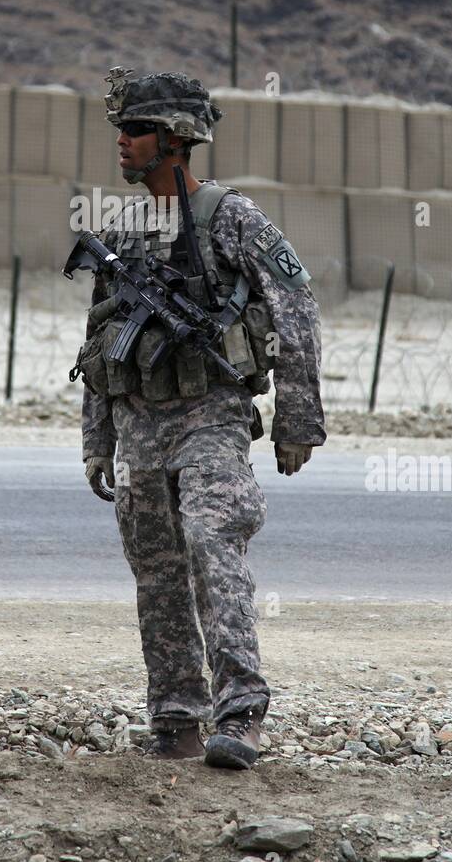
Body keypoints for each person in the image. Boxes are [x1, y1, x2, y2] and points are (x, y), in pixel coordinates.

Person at [76, 68, 326, 769]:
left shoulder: (232, 218)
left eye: (136, 130)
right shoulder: (120, 233)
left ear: (177, 139)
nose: (121, 143)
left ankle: (241, 711)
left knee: (214, 542)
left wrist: (297, 416)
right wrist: (97, 439)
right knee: (156, 570)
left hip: (211, 414)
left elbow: (296, 305)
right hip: (137, 424)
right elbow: (99, 341)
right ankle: (176, 721)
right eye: (120, 131)